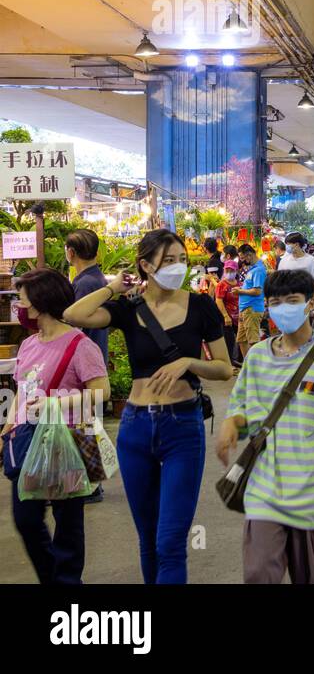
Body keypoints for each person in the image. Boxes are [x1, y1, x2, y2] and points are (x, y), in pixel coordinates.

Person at [64, 228, 232, 584]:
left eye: (182, 260)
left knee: (170, 541)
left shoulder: (201, 307)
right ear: (145, 265)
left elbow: (224, 368)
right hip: (135, 428)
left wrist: (188, 363)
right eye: (168, 260)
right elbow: (73, 315)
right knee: (148, 539)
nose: (178, 267)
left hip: (182, 428)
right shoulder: (128, 309)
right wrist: (112, 287)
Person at [217, 268, 314, 584]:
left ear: (310, 304)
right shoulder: (258, 356)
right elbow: (242, 408)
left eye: (292, 300)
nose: (283, 308)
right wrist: (231, 425)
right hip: (265, 491)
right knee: (258, 573)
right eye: (275, 302)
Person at [2, 268, 110, 584]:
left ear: (40, 300)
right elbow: (23, 389)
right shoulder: (28, 344)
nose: (19, 305)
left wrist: (56, 404)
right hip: (29, 440)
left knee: (68, 524)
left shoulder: (80, 345)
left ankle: (66, 583)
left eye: (22, 298)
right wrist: (8, 425)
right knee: (26, 520)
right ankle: (53, 578)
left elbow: (101, 392)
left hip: (68, 442)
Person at [65, 228, 109, 366]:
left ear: (71, 253)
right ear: (97, 253)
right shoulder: (97, 278)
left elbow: (75, 324)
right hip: (95, 353)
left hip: (85, 359)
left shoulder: (85, 283)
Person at [234, 243, 268, 369]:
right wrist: (241, 289)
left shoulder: (258, 270)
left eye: (243, 258)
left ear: (249, 255)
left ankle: (258, 369)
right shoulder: (253, 269)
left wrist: (240, 291)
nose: (242, 261)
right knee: (241, 339)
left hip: (252, 309)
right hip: (245, 309)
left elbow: (257, 291)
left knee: (253, 340)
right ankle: (248, 367)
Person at [215, 260, 240, 358]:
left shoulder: (239, 284)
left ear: (236, 271)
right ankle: (229, 362)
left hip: (239, 317)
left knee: (241, 340)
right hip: (227, 317)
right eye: (227, 270)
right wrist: (226, 316)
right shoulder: (222, 285)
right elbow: (218, 301)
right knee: (229, 341)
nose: (229, 273)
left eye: (232, 270)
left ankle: (240, 360)